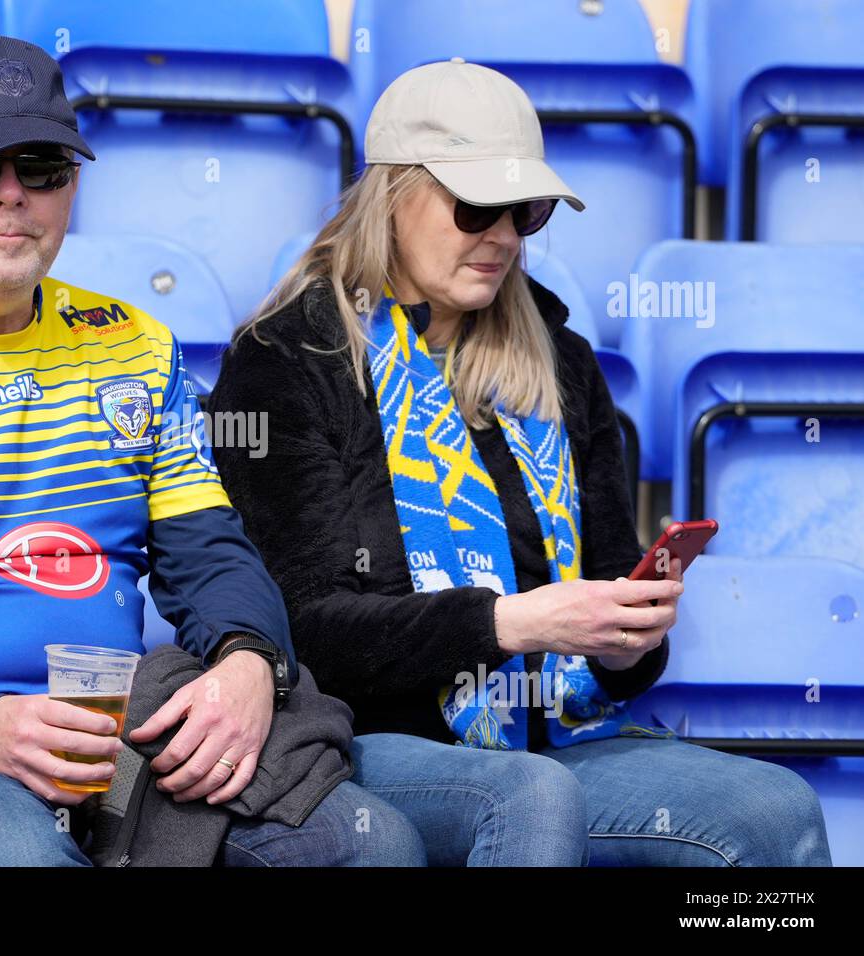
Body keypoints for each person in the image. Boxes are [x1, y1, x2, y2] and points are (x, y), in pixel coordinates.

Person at [0, 33, 423, 867]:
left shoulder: (133, 347)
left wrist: (250, 662)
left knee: (369, 846)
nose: (12, 196)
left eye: (44, 170)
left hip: (111, 737)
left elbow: (209, 556)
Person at [209, 59, 833, 866]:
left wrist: (625, 642)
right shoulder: (288, 358)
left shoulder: (564, 362)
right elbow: (303, 632)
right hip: (366, 739)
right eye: (477, 207)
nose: (502, 235)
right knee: (531, 795)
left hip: (561, 736)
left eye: (526, 211)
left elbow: (609, 588)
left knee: (777, 809)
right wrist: (513, 623)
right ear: (394, 193)